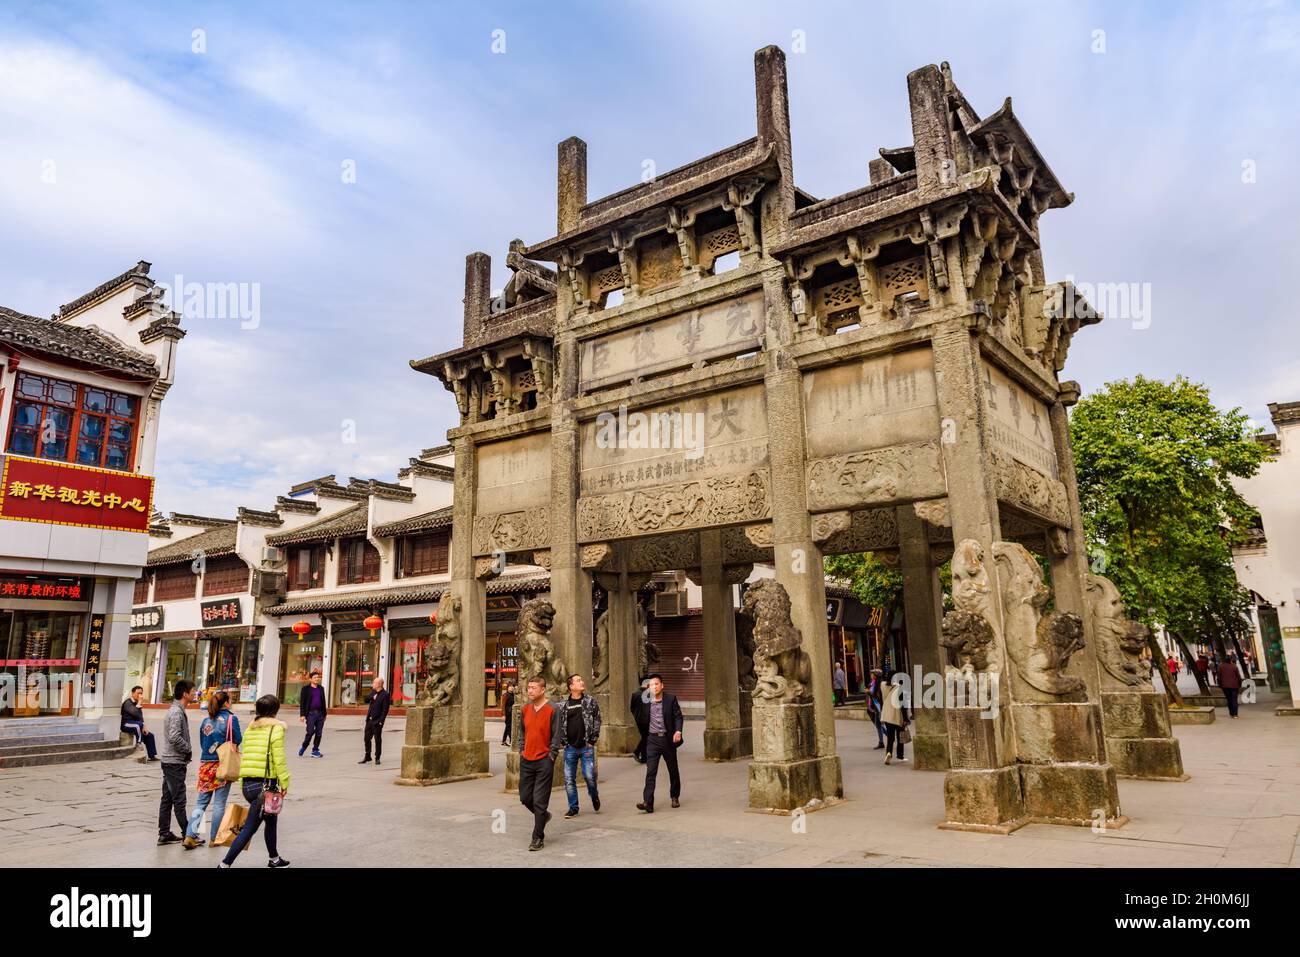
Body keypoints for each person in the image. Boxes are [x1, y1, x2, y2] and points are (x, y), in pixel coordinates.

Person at [220, 694, 291, 868]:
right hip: (265, 785)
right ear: (275, 710)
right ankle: (224, 864)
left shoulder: (250, 728)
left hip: (249, 785)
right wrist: (285, 781)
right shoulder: (276, 728)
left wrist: (243, 782)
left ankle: (274, 859)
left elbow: (247, 756)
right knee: (249, 828)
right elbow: (278, 757)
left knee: (271, 820)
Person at [185, 691, 242, 849]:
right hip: (222, 764)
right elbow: (237, 739)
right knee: (219, 804)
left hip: (206, 764)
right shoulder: (231, 719)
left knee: (201, 802)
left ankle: (190, 835)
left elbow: (203, 742)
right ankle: (213, 838)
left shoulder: (206, 720)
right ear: (225, 703)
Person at [517, 676, 562, 852]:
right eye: (528, 687)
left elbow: (557, 734)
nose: (529, 691)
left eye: (533, 688)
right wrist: (521, 748)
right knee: (525, 797)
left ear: (543, 690)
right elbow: (521, 730)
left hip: (544, 760)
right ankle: (543, 816)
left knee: (540, 801)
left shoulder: (553, 709)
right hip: (526, 759)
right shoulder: (526, 709)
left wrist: (552, 755)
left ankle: (537, 837)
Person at [632, 674, 683, 812]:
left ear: (662, 685)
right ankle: (648, 802)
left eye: (656, 684)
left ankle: (674, 796)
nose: (654, 687)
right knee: (650, 771)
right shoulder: (646, 701)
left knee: (673, 770)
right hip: (652, 741)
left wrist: (678, 731)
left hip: (667, 739)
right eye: (651, 685)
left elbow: (678, 716)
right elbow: (640, 717)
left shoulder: (670, 699)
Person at [156, 680, 195, 846]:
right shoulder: (176, 712)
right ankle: (188, 834)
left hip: (171, 761)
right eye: (193, 691)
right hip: (174, 762)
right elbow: (174, 736)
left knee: (167, 798)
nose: (195, 694)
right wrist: (187, 749)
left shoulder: (177, 711)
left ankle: (164, 833)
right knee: (179, 799)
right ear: (185, 694)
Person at [560, 674, 602, 818]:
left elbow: (597, 719)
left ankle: (594, 795)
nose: (582, 682)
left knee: (589, 776)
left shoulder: (590, 701)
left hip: (586, 747)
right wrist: (563, 741)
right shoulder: (564, 705)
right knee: (569, 779)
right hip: (570, 748)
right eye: (578, 680)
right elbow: (559, 724)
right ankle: (573, 807)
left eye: (581, 679)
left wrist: (593, 739)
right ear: (571, 686)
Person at [879, 670, 909, 765]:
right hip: (897, 714)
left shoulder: (883, 686)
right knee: (900, 736)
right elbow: (903, 705)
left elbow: (880, 700)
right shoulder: (900, 688)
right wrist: (906, 718)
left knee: (890, 737)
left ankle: (889, 753)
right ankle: (900, 756)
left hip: (887, 714)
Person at [120, 686, 158, 761]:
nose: (140, 695)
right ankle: (139, 744)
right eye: (138, 693)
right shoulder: (128, 702)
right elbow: (134, 712)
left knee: (149, 735)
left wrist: (144, 726)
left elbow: (140, 716)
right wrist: (140, 702)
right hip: (126, 724)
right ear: (133, 693)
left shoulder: (137, 703)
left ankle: (152, 756)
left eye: (141, 693)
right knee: (138, 726)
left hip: (136, 724)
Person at [359, 677, 391, 765]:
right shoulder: (373, 692)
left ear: (379, 684)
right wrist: (372, 695)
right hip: (369, 720)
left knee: (377, 740)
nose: (372, 684)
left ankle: (377, 757)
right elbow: (365, 700)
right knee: (366, 739)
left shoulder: (385, 695)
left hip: (377, 721)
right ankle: (367, 756)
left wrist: (381, 721)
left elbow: (385, 710)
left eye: (374, 683)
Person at [298, 670, 327, 758]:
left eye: (318, 677)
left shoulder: (321, 688)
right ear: (310, 679)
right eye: (315, 677)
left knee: (319, 733)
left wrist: (325, 714)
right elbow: (302, 703)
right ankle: (304, 746)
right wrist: (302, 715)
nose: (317, 679)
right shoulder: (305, 689)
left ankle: (315, 750)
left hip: (320, 714)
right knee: (310, 732)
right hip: (310, 714)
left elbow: (323, 702)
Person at [630, 678, 651, 763]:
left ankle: (644, 757)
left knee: (645, 737)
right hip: (647, 720)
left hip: (638, 720)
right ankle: (637, 751)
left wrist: (636, 715)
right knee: (646, 737)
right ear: (648, 686)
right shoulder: (648, 694)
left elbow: (631, 708)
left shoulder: (634, 694)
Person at [1217, 654, 1244, 718]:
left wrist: (1220, 684)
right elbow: (1238, 677)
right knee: (1234, 700)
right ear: (1230, 660)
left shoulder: (1221, 667)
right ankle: (1235, 714)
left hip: (1225, 686)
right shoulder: (1234, 666)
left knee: (1229, 699)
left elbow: (1219, 677)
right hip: (1234, 686)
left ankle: (1231, 713)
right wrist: (1239, 684)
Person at [867, 668, 885, 749]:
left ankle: (889, 738)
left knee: (879, 725)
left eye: (872, 674)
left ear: (876, 675)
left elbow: (876, 695)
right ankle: (882, 741)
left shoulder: (879, 684)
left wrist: (869, 692)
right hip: (874, 707)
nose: (871, 675)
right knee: (878, 725)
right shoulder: (873, 683)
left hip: (879, 707)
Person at [501, 682, 516, 747]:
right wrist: (503, 715)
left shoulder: (513, 695)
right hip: (507, 714)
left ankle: (503, 741)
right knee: (509, 727)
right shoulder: (505, 695)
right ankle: (511, 741)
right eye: (510, 686)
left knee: (507, 727)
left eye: (512, 686)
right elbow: (503, 706)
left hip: (512, 713)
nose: (511, 687)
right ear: (507, 688)